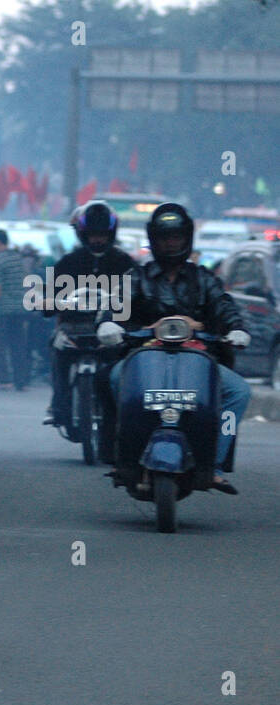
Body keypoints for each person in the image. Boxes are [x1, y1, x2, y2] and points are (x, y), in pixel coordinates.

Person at [100, 203, 250, 492]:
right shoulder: (137, 277)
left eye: (177, 237)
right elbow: (116, 304)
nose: (171, 243)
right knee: (115, 378)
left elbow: (224, 306)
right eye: (165, 237)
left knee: (238, 391)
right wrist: (109, 323)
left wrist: (237, 329)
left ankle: (214, 463)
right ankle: (125, 457)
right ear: (154, 240)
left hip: (198, 356)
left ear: (187, 238)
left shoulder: (203, 278)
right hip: (145, 355)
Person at [45, 201, 133, 433]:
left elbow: (140, 293)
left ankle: (127, 407)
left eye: (102, 234)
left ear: (111, 234)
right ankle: (59, 403)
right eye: (93, 234)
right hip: (72, 327)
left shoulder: (125, 263)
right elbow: (48, 293)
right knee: (55, 349)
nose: (97, 240)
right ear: (83, 234)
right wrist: (47, 302)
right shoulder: (67, 262)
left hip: (113, 330)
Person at [0, 228, 32, 390]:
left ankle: (3, 380)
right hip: (20, 309)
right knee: (19, 346)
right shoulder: (18, 260)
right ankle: (21, 381)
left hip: (4, 310)